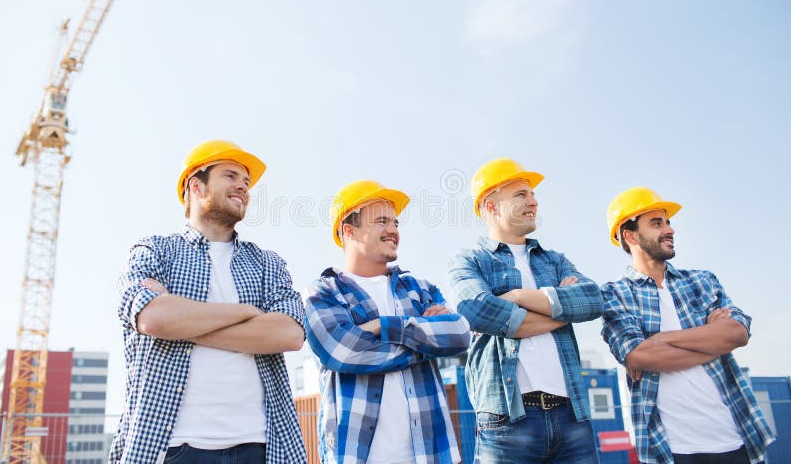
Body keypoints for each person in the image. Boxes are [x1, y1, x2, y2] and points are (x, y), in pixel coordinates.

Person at [110, 140, 307, 464]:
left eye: (246, 182)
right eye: (231, 176)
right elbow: (153, 319)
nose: (243, 186)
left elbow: (289, 335)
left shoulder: (267, 263)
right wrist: (245, 313)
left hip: (261, 447)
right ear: (196, 187)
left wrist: (182, 322)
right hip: (172, 446)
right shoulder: (154, 251)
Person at [601, 186, 775, 464]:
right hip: (672, 450)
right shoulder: (614, 294)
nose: (669, 230)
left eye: (668, 222)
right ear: (630, 235)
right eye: (657, 223)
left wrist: (658, 339)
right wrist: (711, 341)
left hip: (737, 436)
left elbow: (737, 332)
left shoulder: (702, 281)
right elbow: (638, 355)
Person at [449, 158, 603, 464]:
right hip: (507, 422)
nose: (533, 201)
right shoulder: (470, 261)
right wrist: (562, 311)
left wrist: (517, 296)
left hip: (573, 416)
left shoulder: (554, 259)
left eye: (532, 195)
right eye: (521, 194)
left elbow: (593, 300)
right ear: (491, 206)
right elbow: (477, 310)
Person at [305, 179, 471, 464]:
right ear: (349, 230)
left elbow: (459, 334)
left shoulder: (419, 287)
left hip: (431, 455)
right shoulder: (324, 291)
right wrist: (424, 341)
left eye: (396, 223)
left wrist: (383, 326)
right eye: (382, 221)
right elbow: (344, 352)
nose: (393, 230)